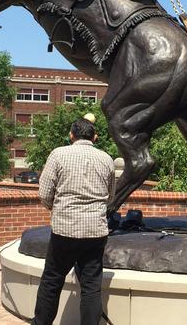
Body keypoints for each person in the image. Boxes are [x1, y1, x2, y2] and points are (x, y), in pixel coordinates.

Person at [32, 117, 116, 325]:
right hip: (95, 230)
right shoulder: (106, 159)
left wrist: (57, 208)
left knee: (52, 280)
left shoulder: (58, 154)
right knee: (91, 286)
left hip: (65, 229)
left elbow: (44, 193)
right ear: (95, 137)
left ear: (71, 135)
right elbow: (111, 196)